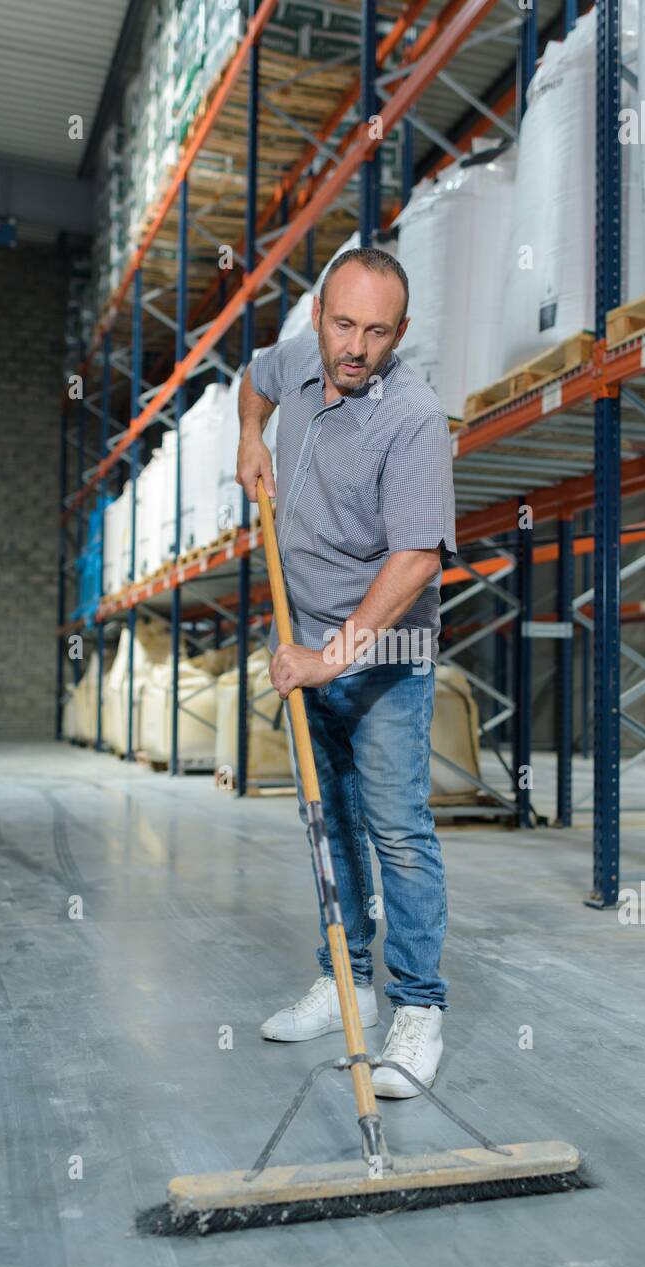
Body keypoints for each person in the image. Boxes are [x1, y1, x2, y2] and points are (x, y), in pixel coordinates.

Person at [236, 246, 456, 1098]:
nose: (354, 346)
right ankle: (344, 980)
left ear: (401, 333)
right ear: (320, 314)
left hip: (385, 652)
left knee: (395, 829)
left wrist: (326, 661)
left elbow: (413, 564)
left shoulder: (411, 418)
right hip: (307, 637)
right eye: (342, 324)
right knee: (327, 821)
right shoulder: (299, 358)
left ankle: (418, 1008)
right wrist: (252, 438)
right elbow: (252, 379)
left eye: (376, 331)